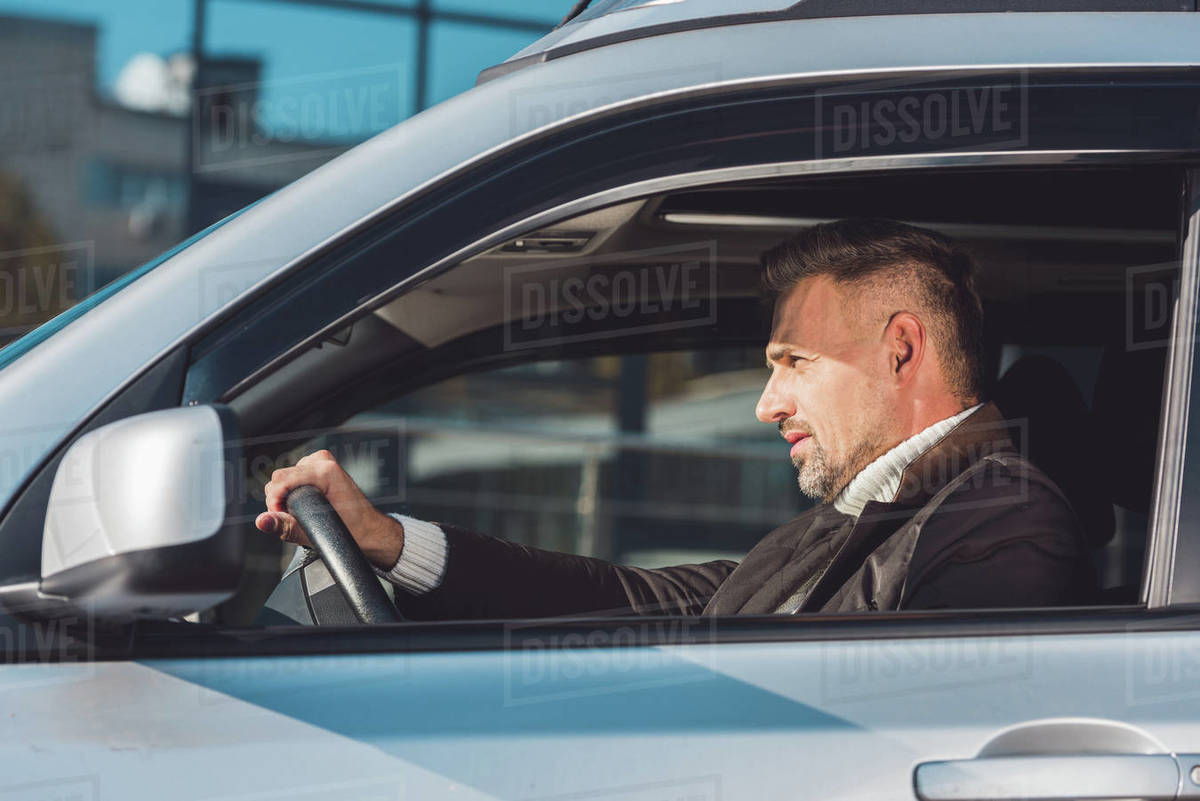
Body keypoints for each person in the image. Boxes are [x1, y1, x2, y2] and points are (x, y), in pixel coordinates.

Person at [255, 218, 1096, 617]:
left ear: (901, 350)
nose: (766, 404)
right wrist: (389, 542)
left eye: (795, 362)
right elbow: (641, 597)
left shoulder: (1002, 523)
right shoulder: (865, 513)